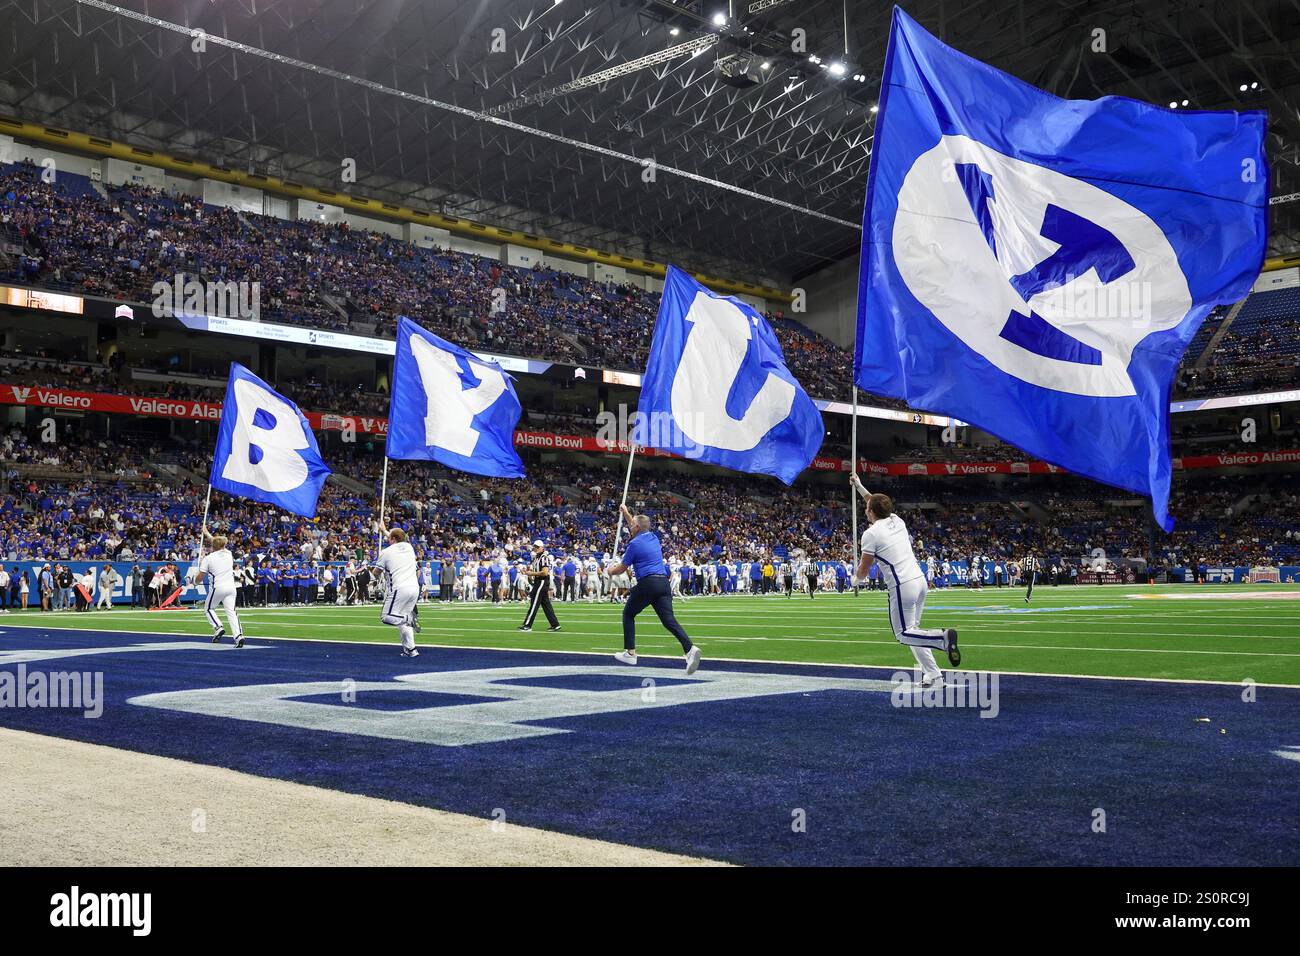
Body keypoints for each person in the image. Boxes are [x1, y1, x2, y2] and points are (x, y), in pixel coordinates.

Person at [851, 474, 959, 688]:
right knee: (914, 630)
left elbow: (864, 569)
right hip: (919, 580)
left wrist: (855, 580)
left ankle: (942, 638)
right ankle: (934, 675)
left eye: (867, 508)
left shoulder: (871, 534)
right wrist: (859, 486)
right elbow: (873, 500)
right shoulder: (896, 520)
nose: (865, 510)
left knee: (903, 634)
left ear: (871, 511)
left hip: (902, 585)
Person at [605, 505, 700, 673]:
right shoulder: (653, 537)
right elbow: (635, 525)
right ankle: (690, 649)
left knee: (628, 613)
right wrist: (626, 513)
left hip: (648, 583)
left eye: (632, 525)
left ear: (636, 527)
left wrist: (609, 571)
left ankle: (630, 652)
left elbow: (620, 569)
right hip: (663, 583)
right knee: (669, 620)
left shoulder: (634, 544)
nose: (630, 527)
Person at [375, 524, 421, 657]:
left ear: (392, 539)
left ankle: (409, 618)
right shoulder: (409, 547)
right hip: (414, 588)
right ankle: (411, 650)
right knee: (401, 620)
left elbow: (377, 572)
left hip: (399, 588)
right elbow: (396, 538)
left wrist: (373, 576)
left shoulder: (385, 552)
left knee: (387, 617)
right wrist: (384, 530)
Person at [194, 533, 244, 646]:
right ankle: (238, 636)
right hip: (231, 587)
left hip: (218, 587)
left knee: (208, 608)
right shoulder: (228, 553)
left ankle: (218, 627)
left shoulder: (208, 558)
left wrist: (195, 581)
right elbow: (218, 543)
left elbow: (200, 576)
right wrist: (206, 532)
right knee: (232, 612)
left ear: (212, 546)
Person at [518, 540, 561, 632]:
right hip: (539, 581)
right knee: (546, 605)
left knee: (534, 603)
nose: (535, 548)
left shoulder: (543, 557)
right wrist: (527, 572)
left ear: (542, 548)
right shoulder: (536, 558)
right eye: (535, 547)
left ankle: (527, 625)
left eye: (537, 547)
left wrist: (532, 573)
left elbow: (545, 572)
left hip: (541, 582)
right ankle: (555, 624)